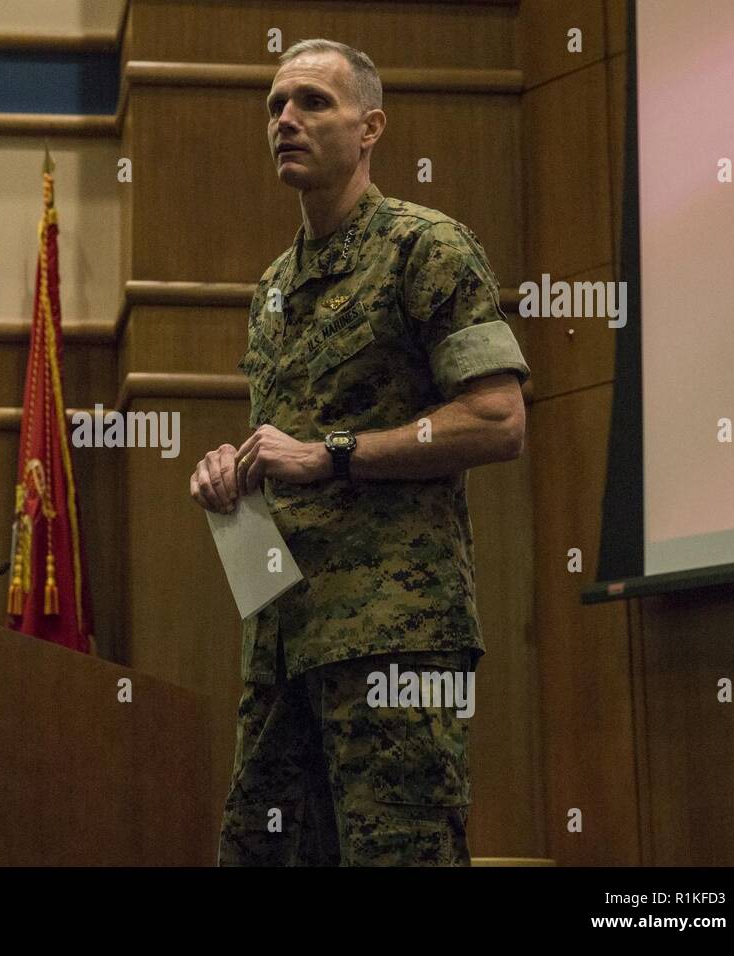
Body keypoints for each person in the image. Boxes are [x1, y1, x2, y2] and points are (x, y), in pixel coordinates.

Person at [188, 38, 530, 866]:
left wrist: (331, 453)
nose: (286, 120)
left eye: (312, 102)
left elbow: (497, 420)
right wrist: (230, 475)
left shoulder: (428, 248)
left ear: (371, 126)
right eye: (275, 105)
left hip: (396, 643)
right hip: (282, 640)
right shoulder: (271, 289)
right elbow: (288, 444)